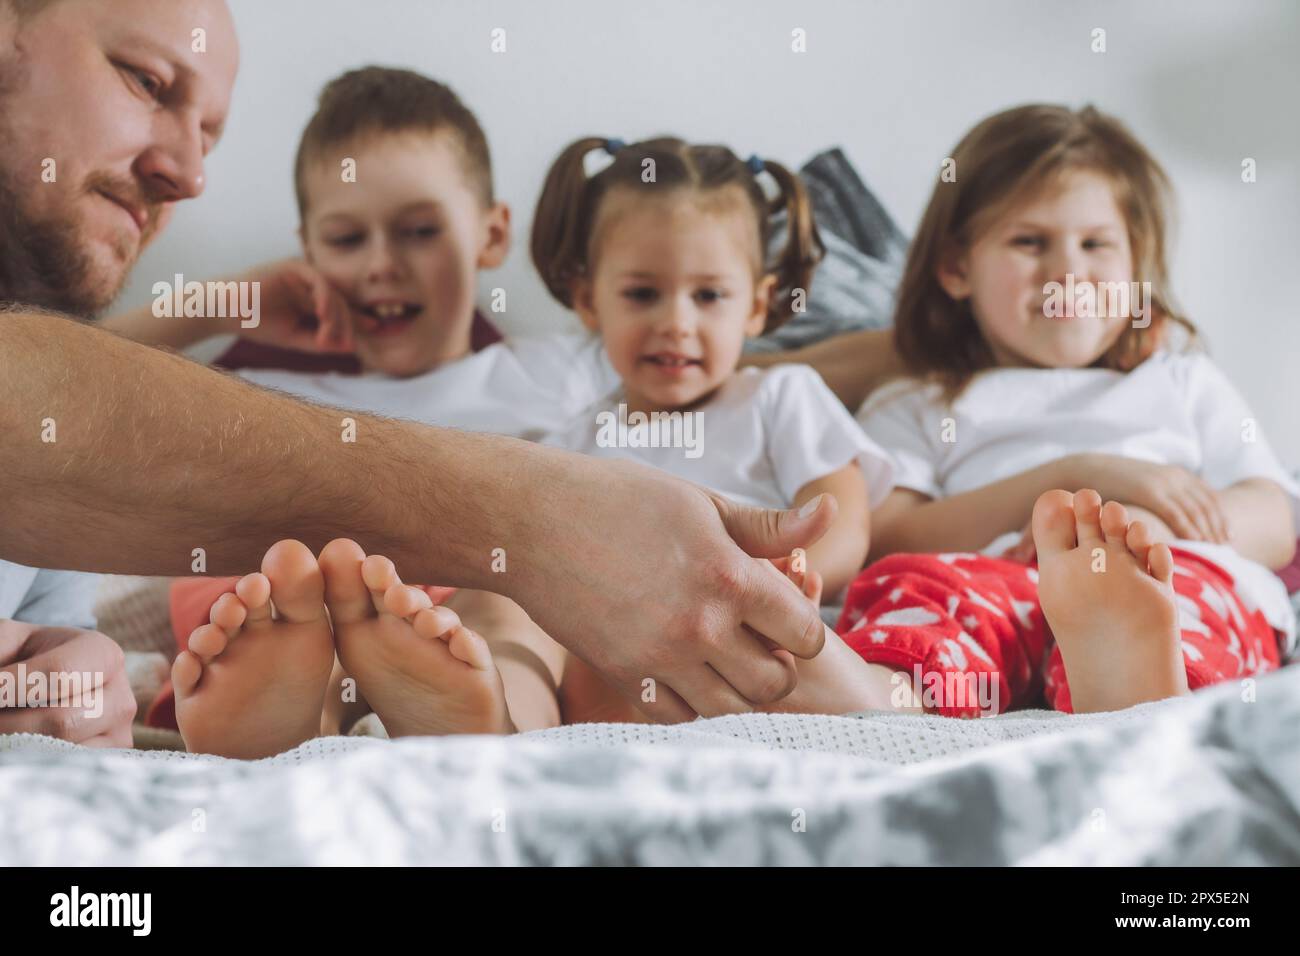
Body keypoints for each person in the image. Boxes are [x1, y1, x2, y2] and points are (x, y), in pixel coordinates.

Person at [0, 0, 846, 744]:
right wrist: (218, 307)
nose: (190, 176)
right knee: (272, 591)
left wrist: (906, 347)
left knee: (497, 613)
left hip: (458, 613)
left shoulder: (553, 371)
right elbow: (73, 395)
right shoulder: (243, 388)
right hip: (287, 595)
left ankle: (452, 714)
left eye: (211, 137)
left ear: (490, 234)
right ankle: (300, 714)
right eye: (147, 81)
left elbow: (67, 408)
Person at [836, 104, 1298, 715]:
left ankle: (1145, 676)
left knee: (1184, 606)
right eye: (1030, 242)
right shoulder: (919, 401)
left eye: (1095, 244)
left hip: (1167, 576)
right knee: (925, 595)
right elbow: (888, 538)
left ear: (1134, 262)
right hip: (997, 579)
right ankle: (879, 690)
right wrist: (1071, 477)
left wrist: (1149, 534)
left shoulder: (1182, 382)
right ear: (955, 267)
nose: (1068, 272)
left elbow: (1276, 522)